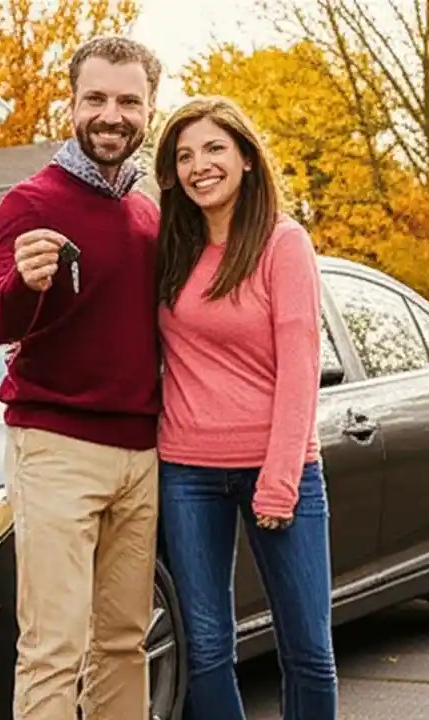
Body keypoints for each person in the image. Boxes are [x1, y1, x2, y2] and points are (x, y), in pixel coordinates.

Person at [0, 35, 164, 720]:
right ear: (72, 103)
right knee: (54, 648)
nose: (111, 115)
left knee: (123, 643)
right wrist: (23, 285)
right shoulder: (30, 201)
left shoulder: (150, 211)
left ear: (149, 109)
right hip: (56, 450)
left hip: (143, 454)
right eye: (97, 99)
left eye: (128, 101)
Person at [152, 95, 338, 719]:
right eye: (183, 156)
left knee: (307, 650)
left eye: (213, 149)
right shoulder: (172, 248)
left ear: (247, 159)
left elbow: (300, 367)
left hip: (278, 470)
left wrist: (280, 480)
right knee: (205, 650)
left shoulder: (284, 245)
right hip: (187, 472)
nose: (199, 165)